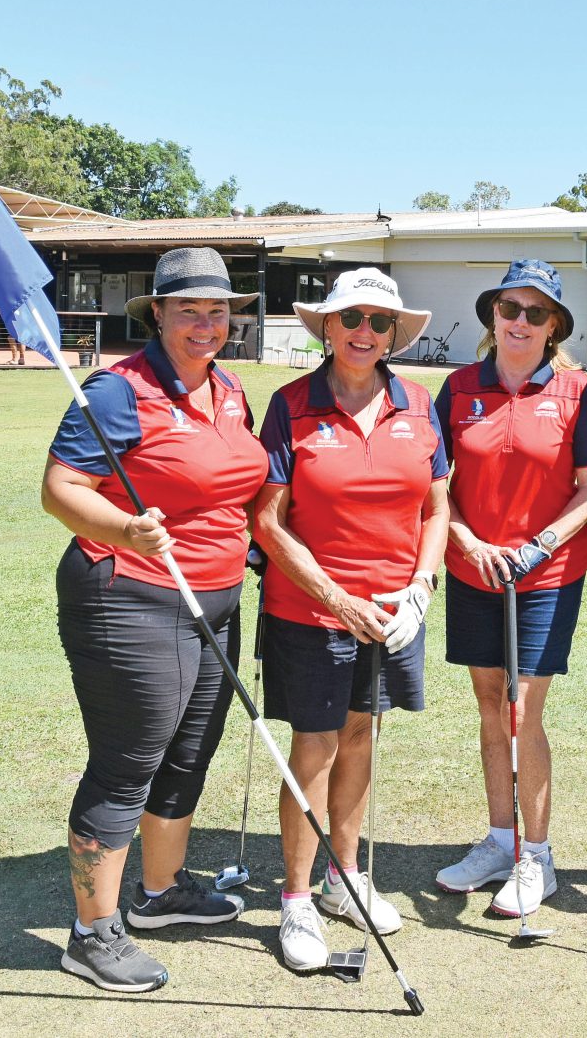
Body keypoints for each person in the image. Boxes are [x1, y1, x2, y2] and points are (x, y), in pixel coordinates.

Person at [39, 248, 269, 992]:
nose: (206, 323)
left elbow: (237, 488)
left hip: (215, 600)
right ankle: (90, 932)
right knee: (126, 762)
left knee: (187, 754)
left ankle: (161, 893)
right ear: (159, 313)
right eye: (188, 310)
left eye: (218, 310)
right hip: (130, 596)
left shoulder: (231, 389)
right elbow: (59, 487)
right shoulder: (118, 391)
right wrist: (124, 529)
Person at [253, 268, 449, 973]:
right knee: (316, 745)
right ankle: (298, 897)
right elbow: (268, 523)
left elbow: (437, 509)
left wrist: (422, 584)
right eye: (351, 319)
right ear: (327, 327)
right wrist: (339, 598)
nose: (364, 332)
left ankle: (343, 874)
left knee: (363, 733)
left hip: (394, 610)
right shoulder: (290, 405)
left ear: (393, 333)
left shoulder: (420, 404)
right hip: (310, 609)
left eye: (378, 321)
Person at [430, 260, 587, 918]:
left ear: (554, 325)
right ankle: (501, 837)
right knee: (487, 701)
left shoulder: (575, 390)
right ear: (494, 316)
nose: (521, 322)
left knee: (521, 709)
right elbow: (435, 487)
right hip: (473, 567)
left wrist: (539, 546)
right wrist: (470, 543)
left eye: (537, 313)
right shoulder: (456, 389)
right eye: (511, 309)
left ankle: (538, 855)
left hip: (547, 574)